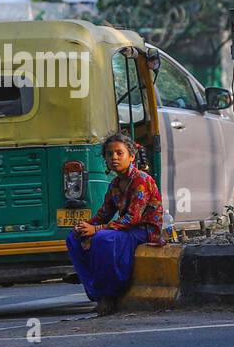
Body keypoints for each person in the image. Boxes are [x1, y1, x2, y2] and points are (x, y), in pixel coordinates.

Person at [65, 132, 166, 315]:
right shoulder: (115, 185)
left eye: (120, 153)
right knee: (73, 238)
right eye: (110, 154)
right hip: (125, 231)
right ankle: (96, 292)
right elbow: (103, 214)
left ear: (132, 156)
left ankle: (109, 295)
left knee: (102, 239)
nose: (114, 158)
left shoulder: (141, 180)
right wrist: (84, 226)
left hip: (144, 231)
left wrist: (95, 230)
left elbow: (132, 219)